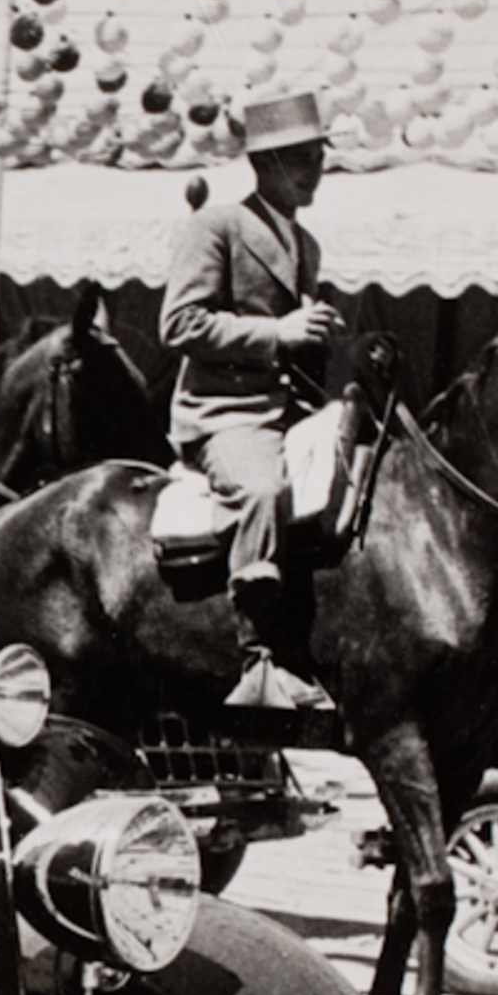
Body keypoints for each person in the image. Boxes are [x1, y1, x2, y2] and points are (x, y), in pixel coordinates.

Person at [160, 90, 345, 711]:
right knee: (264, 490)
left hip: (285, 407)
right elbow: (180, 323)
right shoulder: (216, 224)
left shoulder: (307, 243)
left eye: (318, 155)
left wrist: (316, 334)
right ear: (266, 162)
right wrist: (276, 333)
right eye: (303, 157)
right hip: (226, 413)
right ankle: (258, 660)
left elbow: (294, 340)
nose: (315, 169)